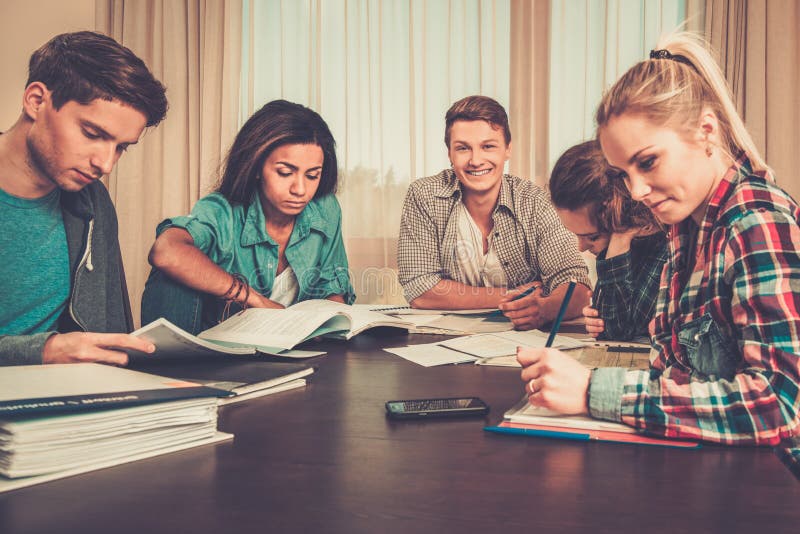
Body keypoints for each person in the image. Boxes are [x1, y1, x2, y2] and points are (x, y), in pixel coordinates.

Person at [518, 33, 800, 470]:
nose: (636, 190)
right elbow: (672, 369)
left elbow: (780, 407)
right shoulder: (686, 228)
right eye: (623, 173)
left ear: (706, 130)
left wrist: (594, 391)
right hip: (711, 465)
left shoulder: (755, 221)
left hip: (772, 485)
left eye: (647, 162)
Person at [0, 31, 168, 366]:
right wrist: (42, 351)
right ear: (36, 101)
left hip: (65, 405)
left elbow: (110, 330)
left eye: (121, 147)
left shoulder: (93, 201)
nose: (105, 164)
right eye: (92, 134)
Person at [142, 100, 355, 334]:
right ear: (255, 166)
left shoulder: (325, 209)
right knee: (170, 276)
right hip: (219, 353)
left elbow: (333, 290)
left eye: (312, 175)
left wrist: (326, 327)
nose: (300, 189)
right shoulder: (221, 211)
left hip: (292, 352)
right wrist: (256, 301)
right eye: (285, 172)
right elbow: (166, 251)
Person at [397, 95, 590, 330]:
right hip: (443, 340)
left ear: (508, 149)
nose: (476, 160)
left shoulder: (535, 201)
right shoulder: (424, 195)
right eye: (463, 148)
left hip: (522, 340)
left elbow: (576, 286)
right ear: (449, 153)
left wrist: (544, 309)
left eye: (488, 146)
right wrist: (509, 296)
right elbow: (420, 289)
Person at [548, 140, 668, 341]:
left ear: (624, 216)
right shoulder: (621, 238)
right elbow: (611, 330)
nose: (581, 247)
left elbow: (618, 332)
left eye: (592, 237)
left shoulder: (667, 248)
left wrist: (619, 243)